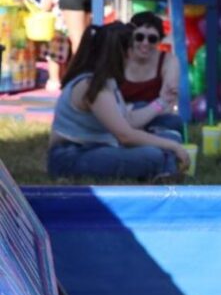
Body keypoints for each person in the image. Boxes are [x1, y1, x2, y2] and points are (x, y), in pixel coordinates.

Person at [48, 23, 190, 181]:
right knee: (153, 156)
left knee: (170, 133)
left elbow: (128, 121)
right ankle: (166, 169)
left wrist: (162, 102)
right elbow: (125, 136)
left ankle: (166, 169)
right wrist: (173, 147)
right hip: (71, 157)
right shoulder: (93, 86)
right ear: (124, 53)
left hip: (99, 147)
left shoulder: (107, 81)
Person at [118, 12, 184, 140]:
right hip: (119, 119)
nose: (145, 43)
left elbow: (168, 105)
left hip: (154, 118)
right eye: (139, 37)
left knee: (174, 122)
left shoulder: (168, 61)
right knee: (140, 106)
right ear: (130, 37)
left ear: (159, 41)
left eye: (152, 39)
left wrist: (146, 111)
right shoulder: (120, 57)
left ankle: (146, 138)